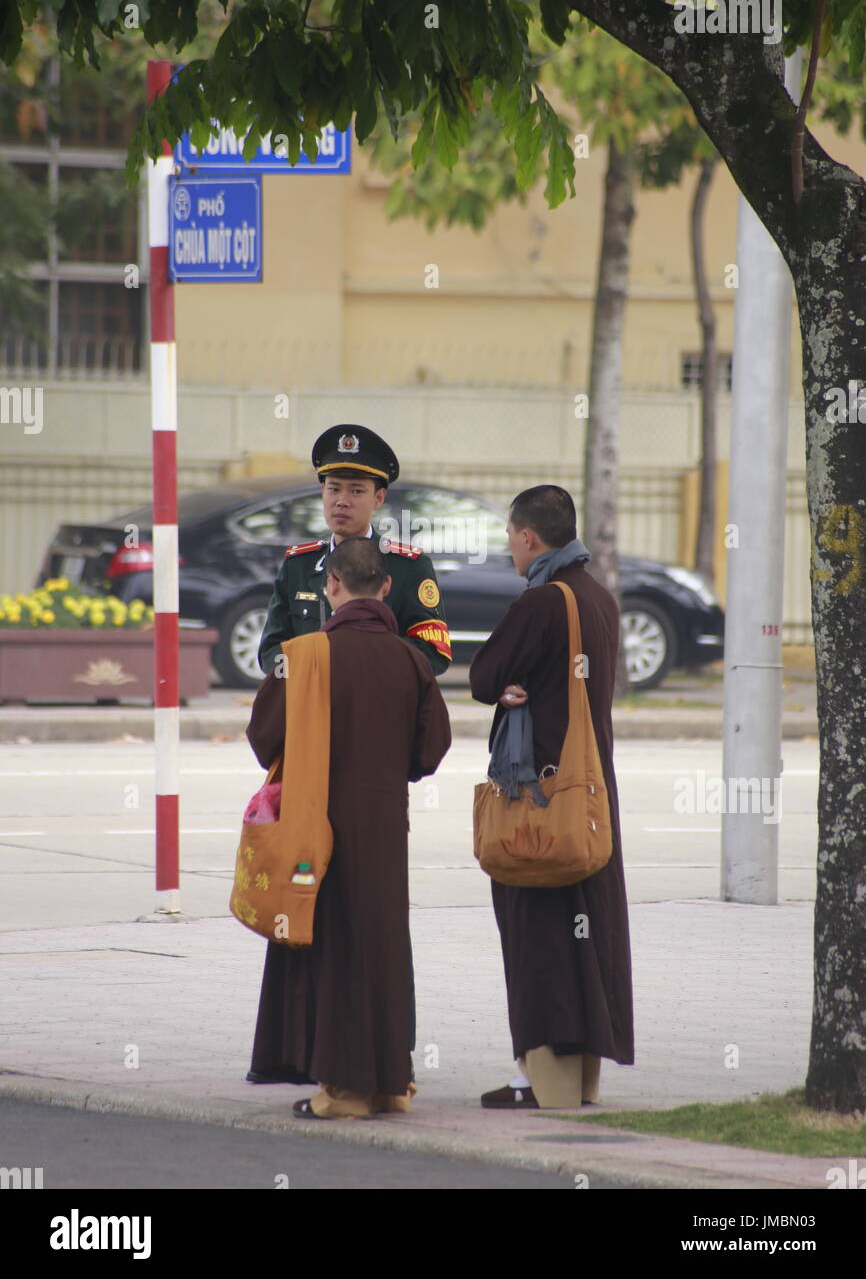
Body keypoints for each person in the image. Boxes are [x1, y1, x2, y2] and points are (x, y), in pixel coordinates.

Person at [245, 536, 451, 1118]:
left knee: (334, 945)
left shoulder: (306, 654)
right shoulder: (412, 660)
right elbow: (430, 750)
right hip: (386, 826)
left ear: (330, 587)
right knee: (383, 944)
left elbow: (264, 739)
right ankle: (390, 1083)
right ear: (386, 588)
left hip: (319, 823)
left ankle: (341, 1090)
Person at [469, 484, 634, 1109]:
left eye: (511, 536)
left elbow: (485, 677)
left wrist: (511, 686)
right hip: (591, 796)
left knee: (535, 931)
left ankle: (536, 1080)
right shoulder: (599, 598)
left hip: (542, 797)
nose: (510, 547)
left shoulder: (541, 602)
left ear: (529, 537)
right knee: (585, 937)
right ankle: (582, 1078)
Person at [257, 423, 451, 678]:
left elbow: (434, 653)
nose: (342, 501)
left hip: (379, 703)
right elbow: (270, 652)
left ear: (378, 498)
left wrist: (366, 665)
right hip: (312, 704)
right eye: (333, 489)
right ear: (322, 492)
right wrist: (309, 669)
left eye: (356, 491)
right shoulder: (300, 565)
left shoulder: (408, 566)